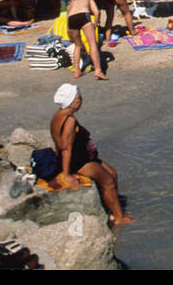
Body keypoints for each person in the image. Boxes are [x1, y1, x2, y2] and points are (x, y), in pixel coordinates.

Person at [50, 84, 134, 225]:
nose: (81, 99)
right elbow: (65, 148)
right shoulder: (69, 121)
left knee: (112, 173)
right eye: (79, 97)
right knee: (108, 182)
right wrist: (67, 175)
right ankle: (120, 218)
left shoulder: (60, 114)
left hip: (83, 157)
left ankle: (114, 211)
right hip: (79, 162)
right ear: (74, 101)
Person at [65, 0, 106, 80]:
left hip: (71, 19)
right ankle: (98, 70)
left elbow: (67, 23)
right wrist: (95, 24)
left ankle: (77, 71)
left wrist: (71, 37)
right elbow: (97, 12)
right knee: (92, 43)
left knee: (77, 46)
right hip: (83, 15)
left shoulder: (70, 5)